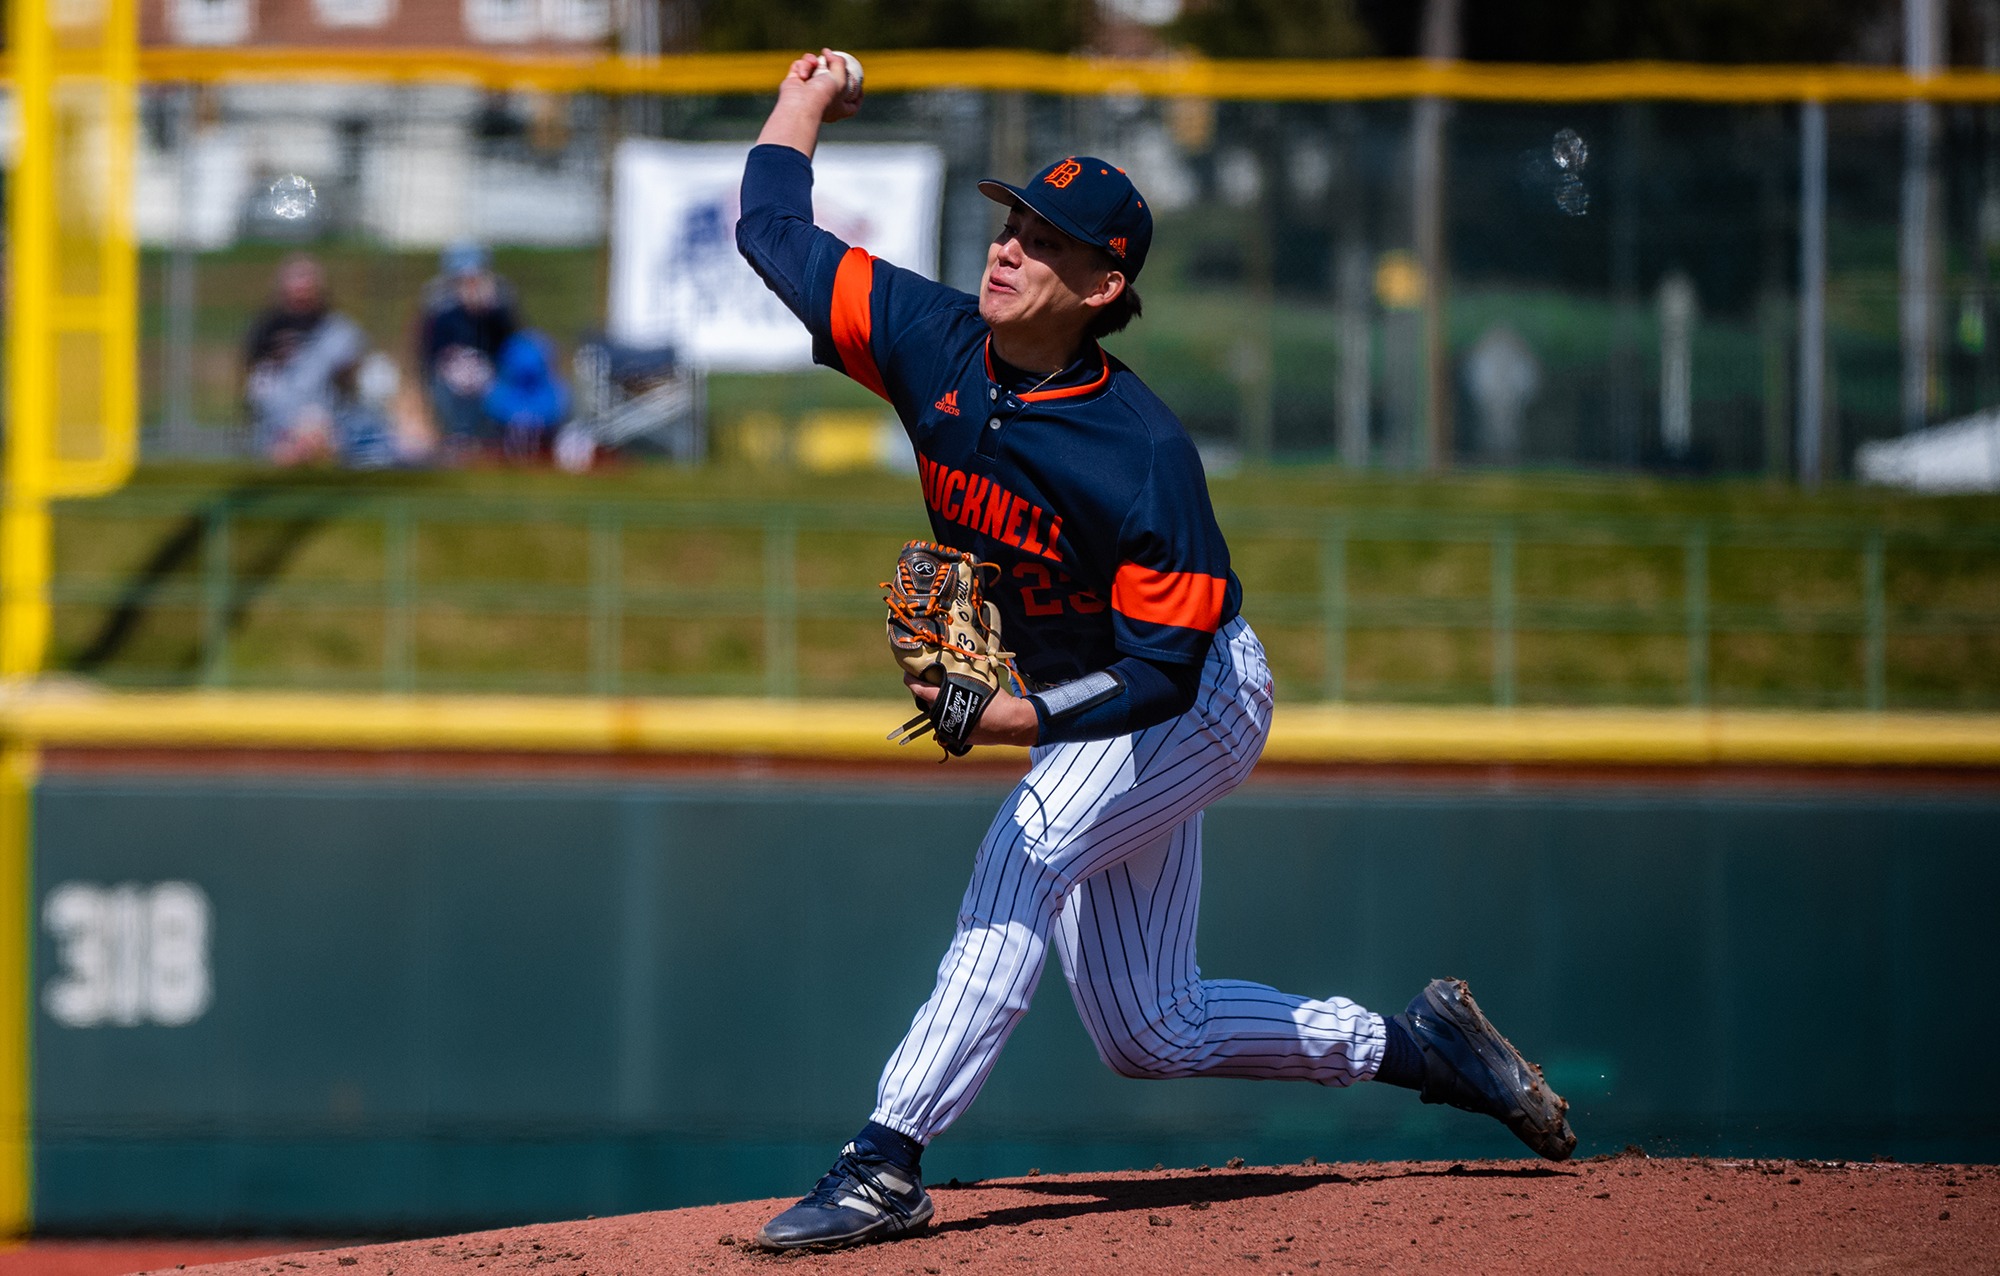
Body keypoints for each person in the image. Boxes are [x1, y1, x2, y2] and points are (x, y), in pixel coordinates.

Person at [734, 50, 1577, 1254]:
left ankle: (883, 1161)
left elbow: (1159, 677)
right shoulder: (928, 339)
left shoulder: (1138, 455)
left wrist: (1013, 720)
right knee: (1149, 1029)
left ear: (1101, 281)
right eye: (1012, 220)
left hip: (1195, 697)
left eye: (1045, 237)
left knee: (1020, 854)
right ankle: (1419, 1046)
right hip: (1092, 693)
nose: (1008, 245)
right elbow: (770, 229)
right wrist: (802, 103)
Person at [244, 254, 395, 466]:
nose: (301, 300)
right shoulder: (265, 333)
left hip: (333, 426)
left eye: (307, 292)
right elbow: (260, 392)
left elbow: (362, 385)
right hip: (280, 428)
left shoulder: (340, 333)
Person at [417, 241, 520, 454]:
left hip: (491, 369)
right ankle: (456, 440)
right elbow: (430, 348)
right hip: (449, 371)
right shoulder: (438, 300)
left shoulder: (500, 297)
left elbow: (511, 342)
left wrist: (490, 311)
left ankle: (489, 442)